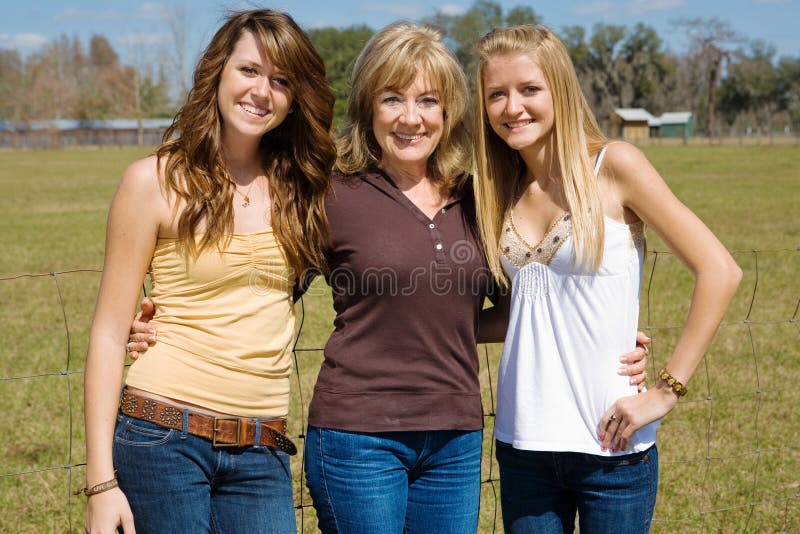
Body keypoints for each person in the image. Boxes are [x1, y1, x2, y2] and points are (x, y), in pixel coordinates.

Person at [126, 21, 650, 534]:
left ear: (449, 111)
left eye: (428, 101)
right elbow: (261, 280)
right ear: (368, 109)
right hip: (358, 438)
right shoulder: (330, 194)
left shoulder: (480, 199)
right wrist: (152, 322)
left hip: (455, 439)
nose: (410, 118)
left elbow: (529, 302)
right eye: (392, 99)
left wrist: (604, 336)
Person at [473, 24, 742, 533]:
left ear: (560, 90)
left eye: (529, 89)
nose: (512, 107)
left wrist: (666, 390)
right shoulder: (498, 189)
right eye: (496, 94)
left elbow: (720, 270)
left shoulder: (613, 166)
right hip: (523, 444)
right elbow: (523, 314)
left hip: (612, 444)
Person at [80, 9, 335, 533]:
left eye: (281, 80)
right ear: (217, 72)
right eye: (249, 70)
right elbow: (109, 333)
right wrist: (101, 483)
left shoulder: (305, 189)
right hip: (162, 437)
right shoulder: (152, 182)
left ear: (294, 100)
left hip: (264, 448)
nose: (262, 91)